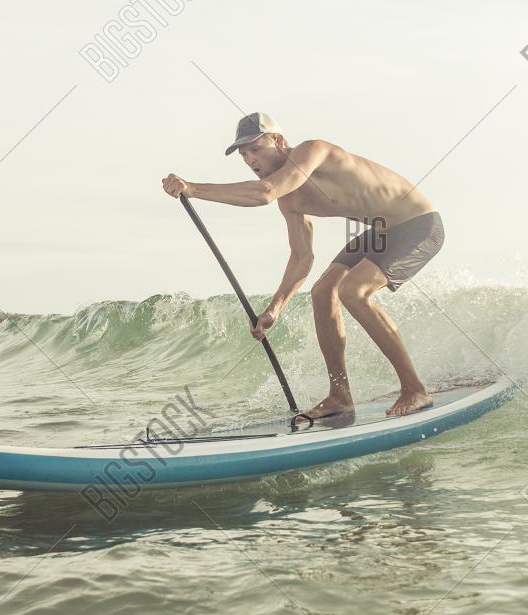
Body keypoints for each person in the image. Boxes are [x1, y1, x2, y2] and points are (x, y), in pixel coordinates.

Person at [162, 112, 444, 418]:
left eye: (255, 149)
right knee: (322, 292)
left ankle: (414, 389)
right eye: (243, 154)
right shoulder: (290, 201)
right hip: (381, 231)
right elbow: (301, 257)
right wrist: (275, 309)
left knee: (353, 291)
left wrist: (194, 188)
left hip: (419, 224)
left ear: (279, 141)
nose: (250, 159)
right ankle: (339, 396)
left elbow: (265, 192)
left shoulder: (313, 151)